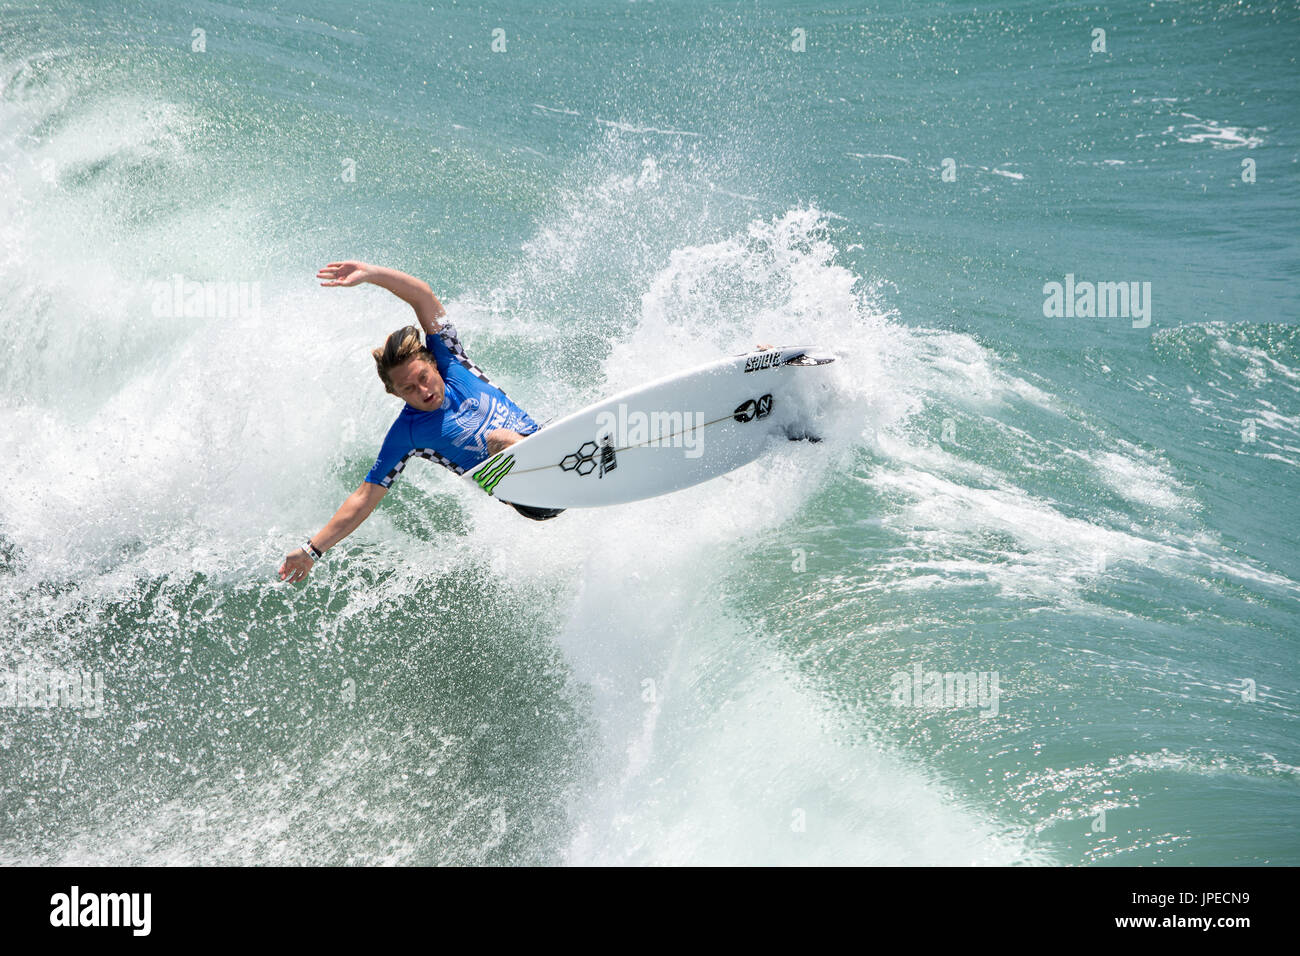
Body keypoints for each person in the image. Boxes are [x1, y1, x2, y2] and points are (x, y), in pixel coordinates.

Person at [278, 261, 560, 585]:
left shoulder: (453, 360)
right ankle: (558, 455)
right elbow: (365, 496)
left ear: (433, 365)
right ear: (394, 392)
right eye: (408, 389)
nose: (423, 391)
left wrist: (370, 274)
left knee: (532, 432)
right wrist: (312, 550)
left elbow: (422, 296)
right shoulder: (408, 434)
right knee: (498, 439)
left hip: (552, 449)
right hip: (528, 494)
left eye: (424, 378)